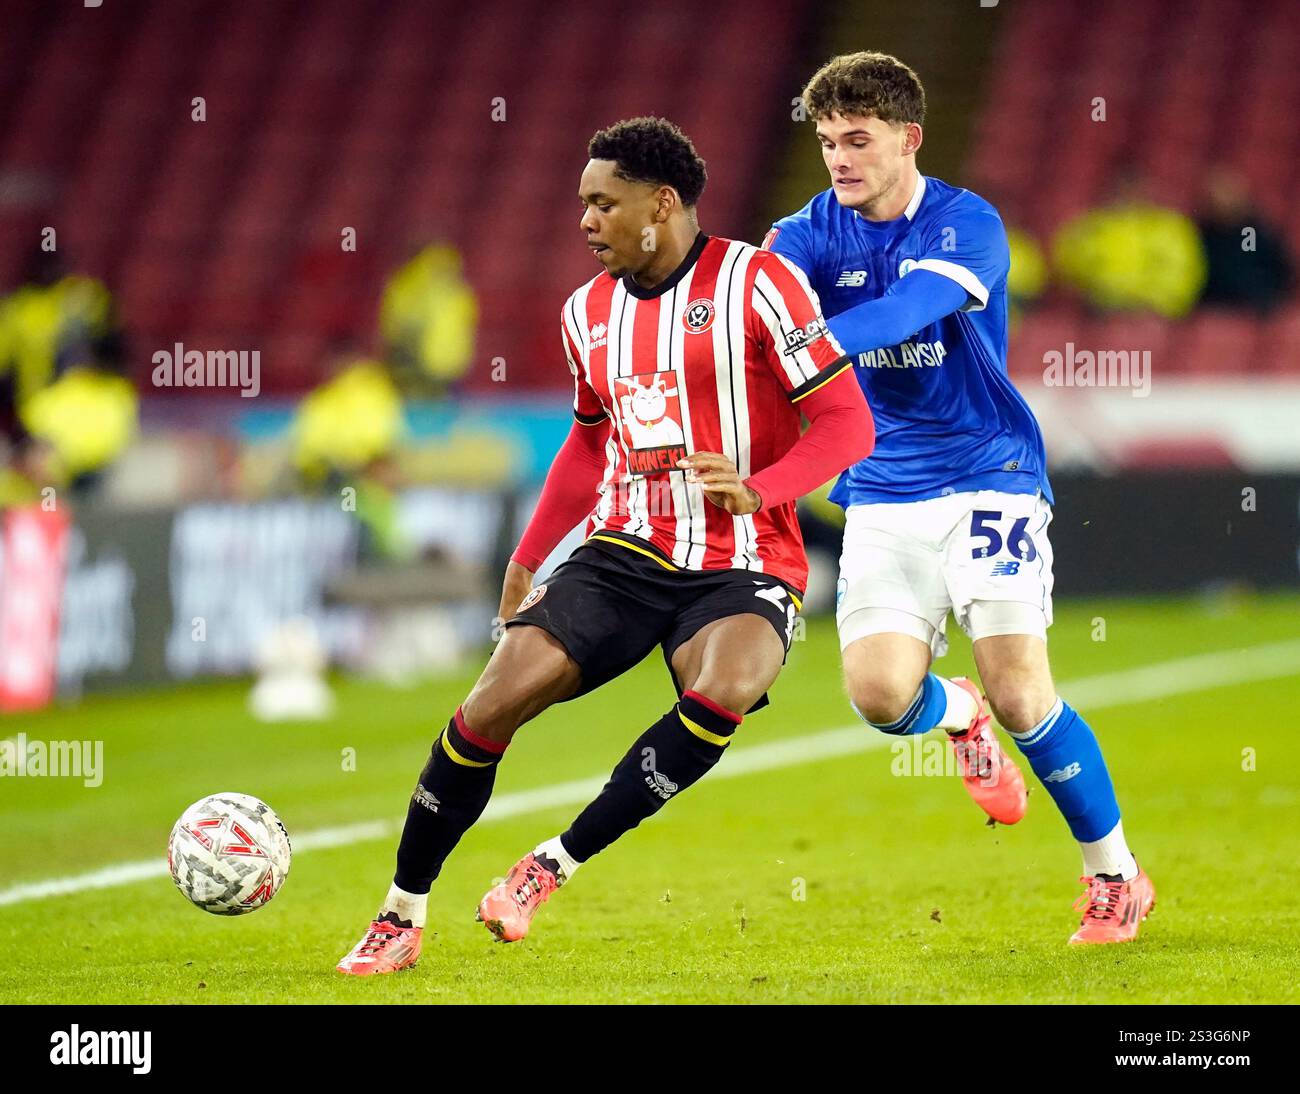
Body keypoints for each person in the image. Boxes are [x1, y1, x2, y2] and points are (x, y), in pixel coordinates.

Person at [337, 116, 873, 974]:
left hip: (744, 558)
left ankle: (552, 863)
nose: (585, 221)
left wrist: (762, 488)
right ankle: (401, 913)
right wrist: (526, 558)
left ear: (662, 203)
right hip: (623, 551)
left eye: (603, 203)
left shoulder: (760, 284)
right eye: (581, 204)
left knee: (727, 687)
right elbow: (589, 446)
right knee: (488, 706)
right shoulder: (586, 315)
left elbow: (848, 423)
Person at [765, 52, 1154, 944]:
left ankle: (1114, 876)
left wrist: (800, 345)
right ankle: (958, 716)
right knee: (877, 696)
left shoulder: (966, 225)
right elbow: (763, 310)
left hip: (990, 474)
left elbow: (904, 315)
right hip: (882, 486)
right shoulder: (804, 234)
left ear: (909, 138)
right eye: (826, 142)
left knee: (1023, 693)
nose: (839, 159)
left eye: (858, 139)